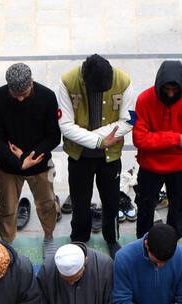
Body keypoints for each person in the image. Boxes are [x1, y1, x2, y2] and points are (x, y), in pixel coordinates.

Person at [57, 54, 133, 254]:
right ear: (84, 79)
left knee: (111, 200)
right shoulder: (68, 82)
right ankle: (79, 239)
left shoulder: (123, 81)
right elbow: (65, 125)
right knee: (80, 202)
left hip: (110, 156)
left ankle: (111, 238)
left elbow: (128, 120)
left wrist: (97, 139)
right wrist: (98, 140)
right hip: (79, 156)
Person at [0, 63, 61, 253]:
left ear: (32, 82)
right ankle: (7, 243)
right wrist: (20, 163)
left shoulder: (47, 97)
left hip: (40, 164)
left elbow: (53, 135)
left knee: (47, 204)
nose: (20, 98)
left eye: (24, 93)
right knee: (8, 208)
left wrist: (31, 157)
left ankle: (48, 236)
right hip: (9, 166)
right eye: (15, 94)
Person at [132, 60, 182, 239]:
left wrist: (155, 142)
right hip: (150, 168)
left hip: (179, 168)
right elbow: (139, 139)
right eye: (166, 90)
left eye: (175, 90)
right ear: (158, 86)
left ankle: (173, 239)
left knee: (178, 207)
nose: (170, 94)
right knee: (145, 207)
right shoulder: (144, 99)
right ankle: (143, 239)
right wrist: (176, 139)